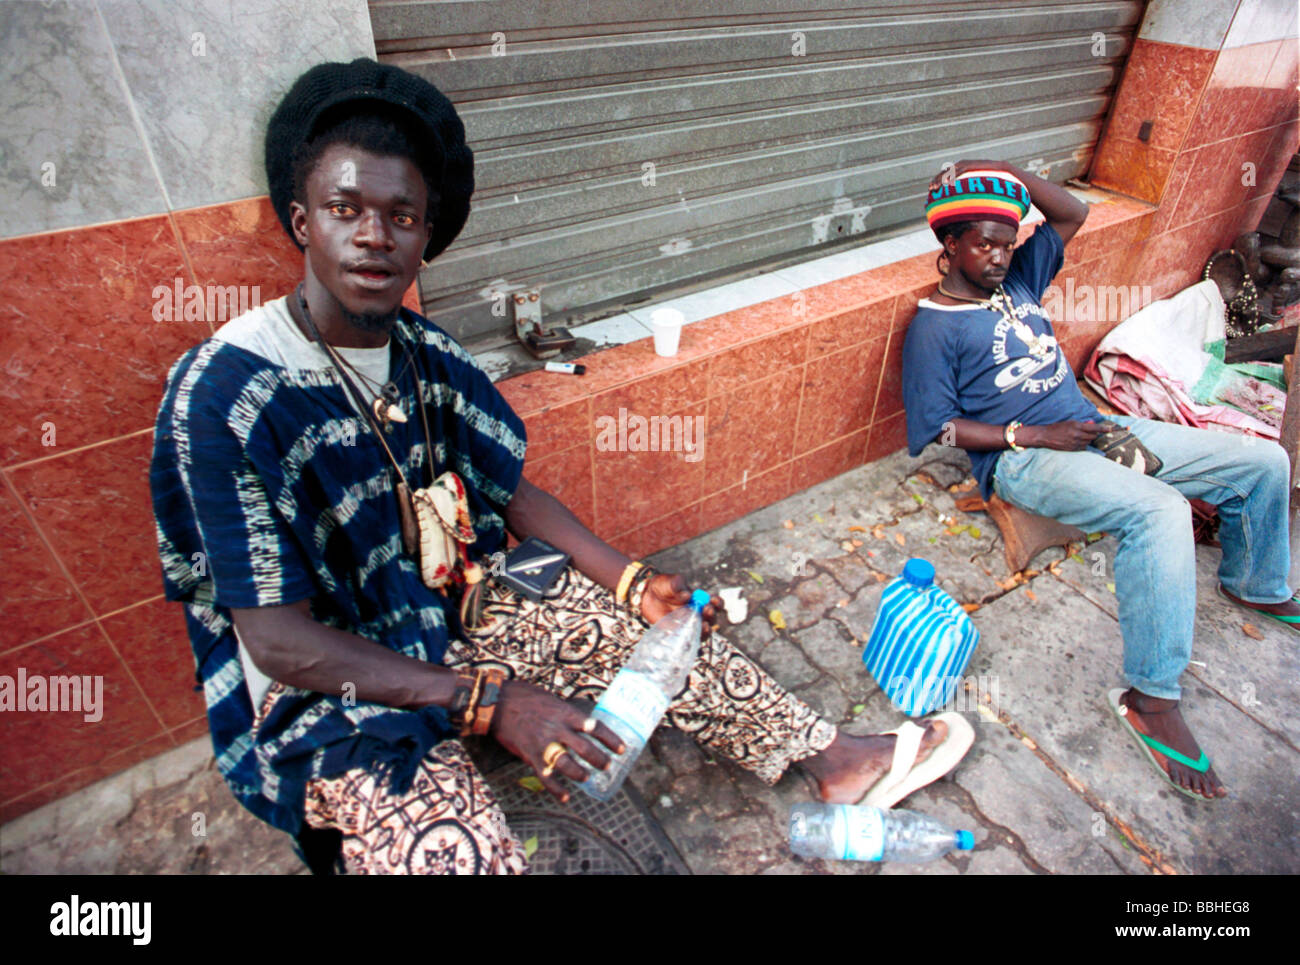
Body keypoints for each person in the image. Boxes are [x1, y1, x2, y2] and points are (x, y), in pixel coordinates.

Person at [150, 58, 966, 874]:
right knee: (455, 852)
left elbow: (508, 492)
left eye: (401, 216)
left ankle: (832, 757)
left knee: (661, 634)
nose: (373, 235)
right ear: (301, 221)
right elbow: (278, 640)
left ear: (426, 238)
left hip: (450, 607)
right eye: (344, 209)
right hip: (331, 681)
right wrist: (489, 700)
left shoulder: (423, 353)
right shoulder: (225, 397)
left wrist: (632, 581)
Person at [902, 160, 1300, 802]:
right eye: (984, 245)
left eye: (1007, 244)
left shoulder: (1018, 282)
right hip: (1028, 460)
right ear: (949, 247)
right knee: (1160, 512)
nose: (1001, 257)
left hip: (1093, 426)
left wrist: (1005, 174)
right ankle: (1151, 696)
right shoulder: (933, 328)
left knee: (1263, 462)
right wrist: (1030, 436)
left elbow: (1071, 213)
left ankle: (1256, 582)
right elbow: (934, 431)